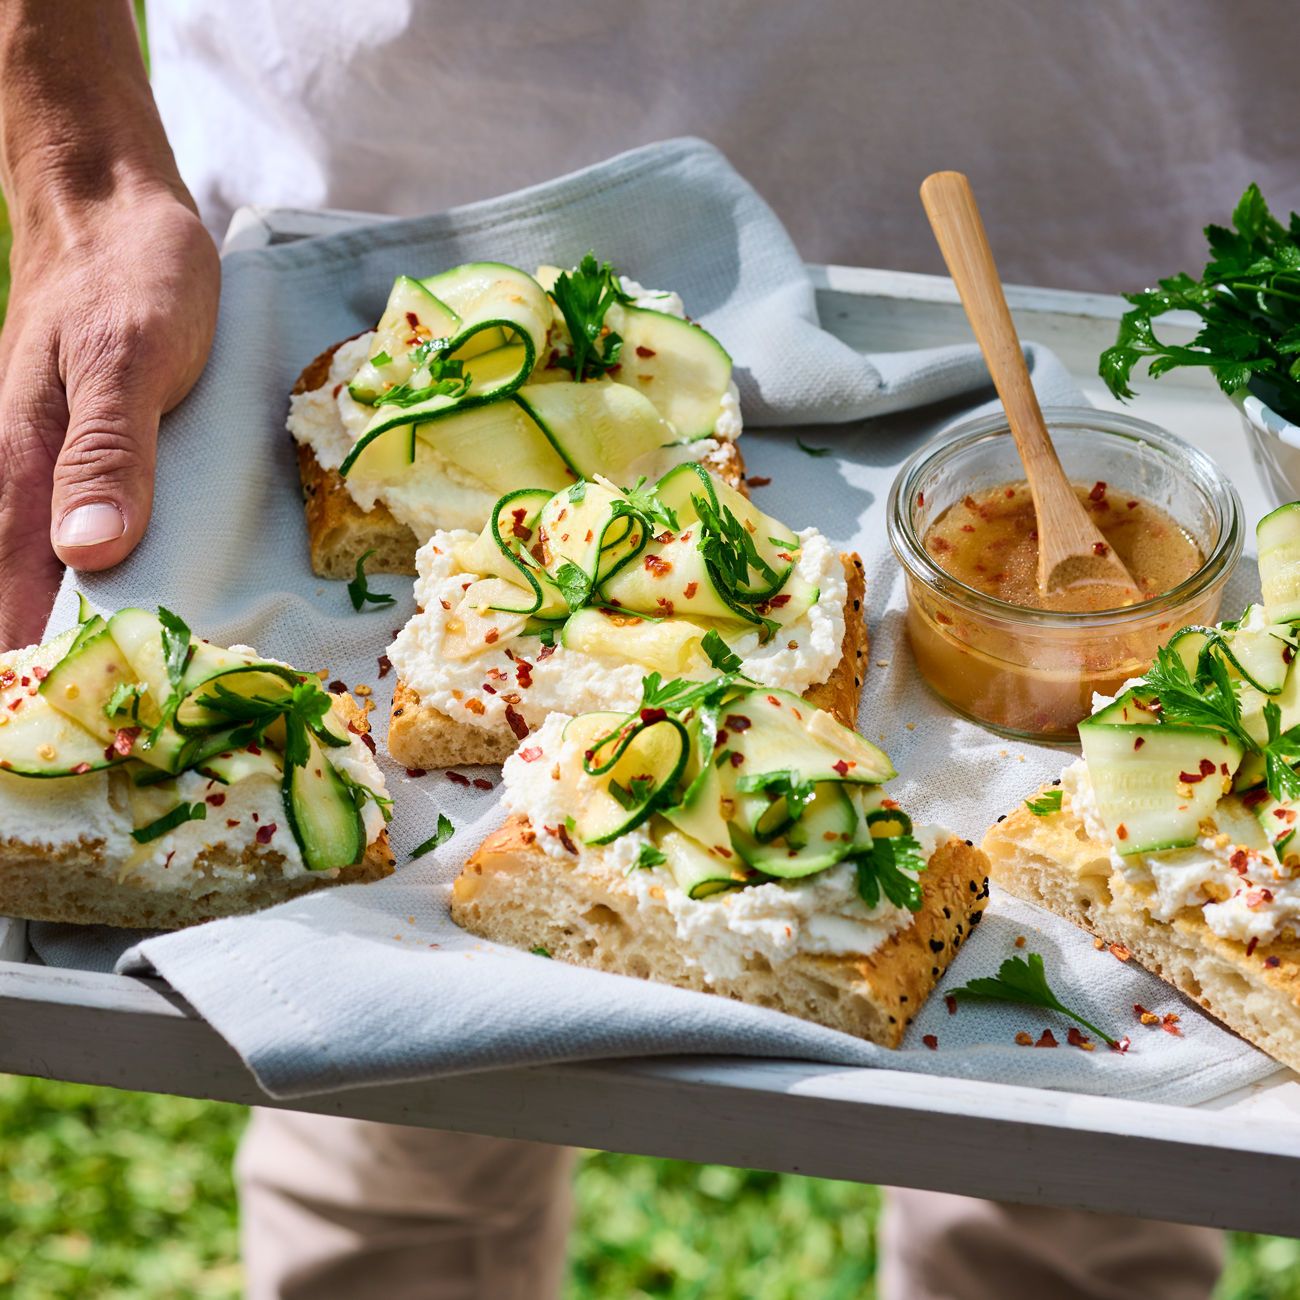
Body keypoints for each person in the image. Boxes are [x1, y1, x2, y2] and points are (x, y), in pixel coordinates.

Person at [1, 0, 1280, 1294]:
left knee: (1074, 1195)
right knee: (390, 1130)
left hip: (1106, 195)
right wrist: (80, 161)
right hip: (417, 152)